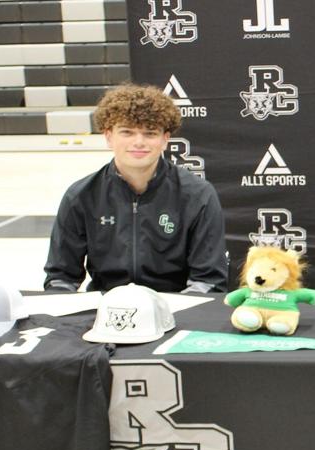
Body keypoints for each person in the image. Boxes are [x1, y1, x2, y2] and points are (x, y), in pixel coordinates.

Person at [43, 84, 227, 294]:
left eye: (150, 133)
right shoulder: (81, 196)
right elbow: (60, 278)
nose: (139, 142)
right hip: (105, 305)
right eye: (127, 132)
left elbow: (208, 280)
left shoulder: (198, 195)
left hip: (174, 304)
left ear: (165, 139)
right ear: (109, 136)